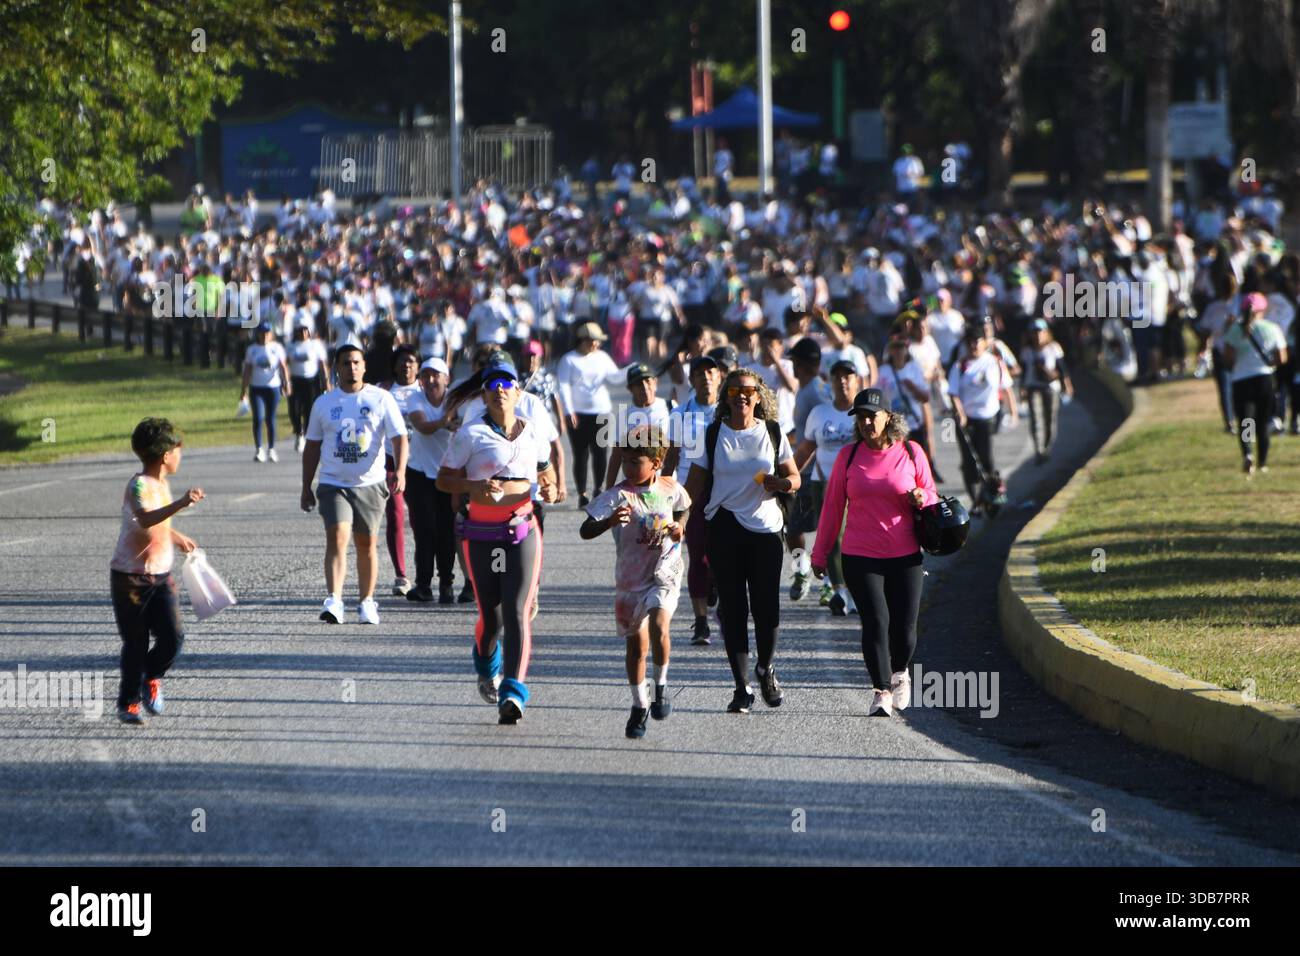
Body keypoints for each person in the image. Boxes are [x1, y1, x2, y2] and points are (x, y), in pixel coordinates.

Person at [437, 360, 558, 724]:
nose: (499, 389)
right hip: (482, 535)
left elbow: (544, 469)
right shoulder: (470, 434)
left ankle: (513, 692)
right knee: (492, 618)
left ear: (518, 392)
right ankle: (487, 663)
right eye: (492, 385)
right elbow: (444, 480)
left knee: (518, 611)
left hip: (521, 530)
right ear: (484, 394)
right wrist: (473, 486)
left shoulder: (532, 430)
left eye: (506, 383)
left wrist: (550, 485)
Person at [812, 388, 937, 717]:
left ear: (888, 418)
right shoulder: (848, 457)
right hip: (860, 555)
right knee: (875, 621)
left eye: (872, 415)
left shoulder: (911, 452)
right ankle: (881, 690)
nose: (867, 422)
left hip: (906, 553)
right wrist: (820, 554)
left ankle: (900, 673)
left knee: (905, 629)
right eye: (861, 417)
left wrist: (921, 498)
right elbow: (832, 509)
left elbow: (932, 494)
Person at [684, 368, 801, 714]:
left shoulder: (773, 433)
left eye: (748, 391)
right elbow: (692, 487)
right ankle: (741, 687)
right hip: (724, 528)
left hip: (766, 531)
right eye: (734, 391)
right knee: (733, 610)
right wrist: (672, 520)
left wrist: (783, 485)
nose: (742, 396)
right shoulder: (713, 434)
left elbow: (794, 476)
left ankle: (765, 669)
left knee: (767, 610)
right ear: (727, 397)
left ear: (758, 396)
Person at [581, 425, 691, 739]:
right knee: (636, 649)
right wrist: (610, 522)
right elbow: (585, 529)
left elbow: (685, 506)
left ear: (657, 462)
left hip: (664, 573)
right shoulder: (617, 495)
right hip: (631, 581)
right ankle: (639, 705)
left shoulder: (669, 488)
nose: (628, 468)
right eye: (625, 461)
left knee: (659, 625)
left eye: (635, 462)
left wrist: (679, 527)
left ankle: (661, 688)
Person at [301, 343, 409, 626]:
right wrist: (305, 486)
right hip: (333, 482)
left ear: (364, 366)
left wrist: (399, 470)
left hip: (370, 483)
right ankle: (334, 600)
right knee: (337, 537)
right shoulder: (324, 403)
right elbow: (312, 446)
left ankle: (366, 602)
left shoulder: (381, 398)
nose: (352, 367)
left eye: (356, 362)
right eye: (346, 363)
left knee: (366, 543)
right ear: (337, 367)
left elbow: (399, 438)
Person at [110, 419, 203, 725]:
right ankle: (129, 703)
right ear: (165, 455)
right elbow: (146, 519)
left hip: (161, 576)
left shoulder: (161, 484)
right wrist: (180, 504)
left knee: (173, 637)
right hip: (130, 578)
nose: (180, 456)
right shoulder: (138, 485)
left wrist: (177, 538)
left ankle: (151, 676)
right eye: (178, 450)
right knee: (136, 642)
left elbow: (157, 525)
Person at [793, 361, 861, 616]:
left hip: (858, 485)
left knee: (853, 539)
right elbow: (805, 450)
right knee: (832, 535)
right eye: (837, 377)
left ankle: (856, 590)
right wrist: (787, 478)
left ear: (857, 380)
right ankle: (840, 591)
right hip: (824, 483)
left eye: (848, 377)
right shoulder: (820, 413)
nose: (843, 382)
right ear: (830, 382)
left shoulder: (864, 412)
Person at [662, 355, 722, 645]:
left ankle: (717, 585)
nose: (705, 377)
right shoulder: (681, 414)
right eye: (699, 373)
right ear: (692, 380)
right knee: (697, 556)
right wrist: (663, 492)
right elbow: (672, 456)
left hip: (727, 493)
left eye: (711, 372)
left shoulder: (731, 411)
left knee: (723, 556)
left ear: (720, 376)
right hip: (691, 492)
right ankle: (701, 622)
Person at [404, 357, 458, 603]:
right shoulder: (415, 398)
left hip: (448, 474)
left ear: (446, 378)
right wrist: (444, 422)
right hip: (419, 473)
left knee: (447, 531)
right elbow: (422, 426)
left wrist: (448, 422)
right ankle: (423, 584)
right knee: (424, 531)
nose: (430, 380)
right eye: (425, 375)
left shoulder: (455, 399)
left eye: (436, 375)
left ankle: (446, 584)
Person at [557, 322, 626, 506]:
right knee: (581, 454)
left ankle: (598, 489)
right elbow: (563, 386)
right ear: (583, 340)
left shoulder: (602, 357)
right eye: (593, 341)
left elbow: (615, 377)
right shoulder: (569, 360)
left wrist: (630, 370)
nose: (596, 344)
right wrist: (568, 410)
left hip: (601, 412)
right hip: (578, 414)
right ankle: (582, 493)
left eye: (598, 341)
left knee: (601, 452)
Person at [948, 326, 1014, 516]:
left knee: (986, 459)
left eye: (976, 341)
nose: (973, 345)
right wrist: (960, 412)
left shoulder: (994, 362)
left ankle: (992, 498)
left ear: (984, 342)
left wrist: (1013, 411)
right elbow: (953, 393)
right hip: (966, 419)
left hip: (987, 417)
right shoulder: (960, 366)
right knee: (969, 461)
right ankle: (975, 499)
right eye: (969, 342)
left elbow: (1006, 387)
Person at [1223, 292, 1289, 477]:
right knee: (1262, 423)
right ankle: (1263, 462)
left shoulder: (1235, 330)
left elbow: (1228, 359)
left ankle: (1248, 453)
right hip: (1265, 379)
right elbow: (1281, 357)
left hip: (1241, 380)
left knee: (1246, 422)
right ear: (1263, 309)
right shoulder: (1272, 328)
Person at [383, 345, 423, 596]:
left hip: (420, 462)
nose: (407, 365)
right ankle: (401, 575)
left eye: (411, 361)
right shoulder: (384, 391)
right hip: (390, 460)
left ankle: (424, 573)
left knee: (421, 519)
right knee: (396, 514)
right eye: (402, 361)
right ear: (395, 366)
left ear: (418, 366)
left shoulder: (426, 390)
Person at [603, 363, 670, 491]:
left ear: (655, 383)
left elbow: (676, 449)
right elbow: (617, 455)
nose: (645, 387)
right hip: (635, 486)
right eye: (639, 384)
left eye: (648, 381)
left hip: (663, 482)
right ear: (630, 388)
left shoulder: (670, 407)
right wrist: (608, 490)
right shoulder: (625, 416)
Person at [1020, 319, 1073, 465]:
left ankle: (1047, 447)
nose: (1038, 336)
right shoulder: (1027, 351)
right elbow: (1024, 372)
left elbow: (1062, 369)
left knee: (1050, 419)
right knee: (1036, 419)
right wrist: (1023, 389)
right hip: (1033, 386)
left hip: (1050, 387)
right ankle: (1039, 450)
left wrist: (1067, 385)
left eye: (1040, 332)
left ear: (1046, 333)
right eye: (1035, 333)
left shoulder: (1054, 348)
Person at [240, 321, 291, 463]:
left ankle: (272, 449)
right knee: (258, 417)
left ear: (271, 334)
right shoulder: (252, 350)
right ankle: (259, 449)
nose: (264, 336)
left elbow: (283, 366)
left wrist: (286, 383)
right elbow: (247, 370)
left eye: (267, 333)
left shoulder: (276, 348)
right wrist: (243, 389)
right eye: (262, 333)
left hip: (273, 387)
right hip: (257, 388)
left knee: (270, 418)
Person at [286, 317, 330, 453]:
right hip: (296, 380)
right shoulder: (290, 346)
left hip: (312, 381)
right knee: (294, 409)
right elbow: (285, 364)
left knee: (309, 409)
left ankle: (306, 434)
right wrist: (286, 381)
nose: (303, 333)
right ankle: (298, 432)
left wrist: (326, 381)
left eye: (305, 330)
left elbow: (322, 364)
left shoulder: (315, 345)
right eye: (300, 330)